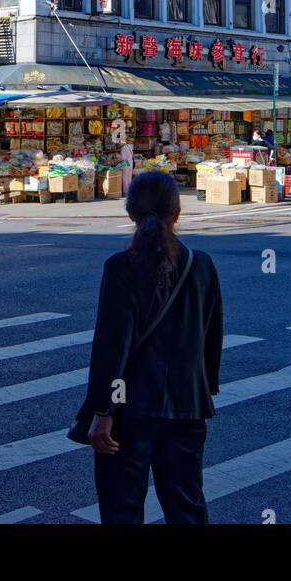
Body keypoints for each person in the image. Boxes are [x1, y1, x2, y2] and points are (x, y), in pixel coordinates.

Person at [77, 170, 224, 525]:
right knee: (186, 507)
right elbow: (212, 336)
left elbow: (112, 345)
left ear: (130, 213)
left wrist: (103, 412)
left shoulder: (121, 268)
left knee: (122, 508)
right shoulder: (201, 265)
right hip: (187, 406)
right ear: (177, 212)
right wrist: (204, 388)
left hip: (130, 411)